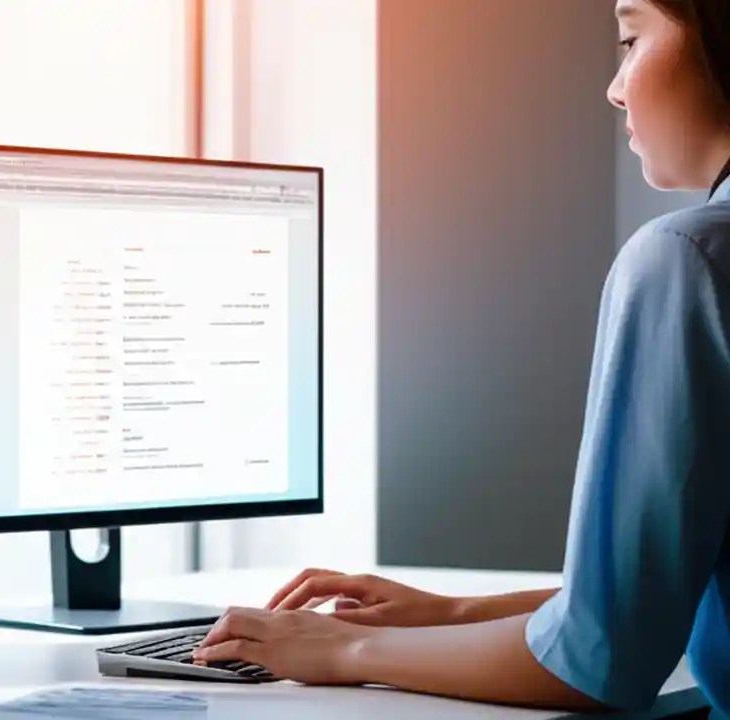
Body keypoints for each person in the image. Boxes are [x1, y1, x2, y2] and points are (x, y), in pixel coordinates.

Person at [193, 0, 730, 713]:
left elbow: (599, 658)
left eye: (632, 38)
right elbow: (659, 594)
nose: (615, 84)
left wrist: (341, 649)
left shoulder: (687, 259)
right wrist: (448, 617)